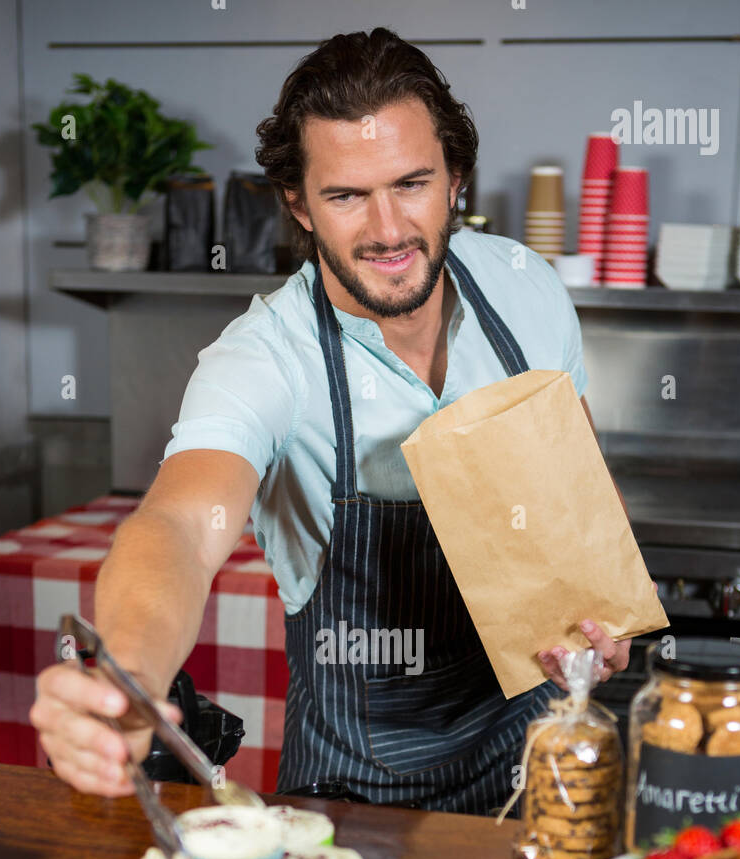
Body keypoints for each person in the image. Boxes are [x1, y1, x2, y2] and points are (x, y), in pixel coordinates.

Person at [31, 26, 631, 814]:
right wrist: (131, 678)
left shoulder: (528, 292)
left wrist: (601, 616)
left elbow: (577, 492)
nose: (386, 230)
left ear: (457, 179)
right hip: (358, 804)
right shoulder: (264, 359)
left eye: (411, 183)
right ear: (299, 205)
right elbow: (177, 526)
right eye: (346, 196)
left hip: (544, 765)